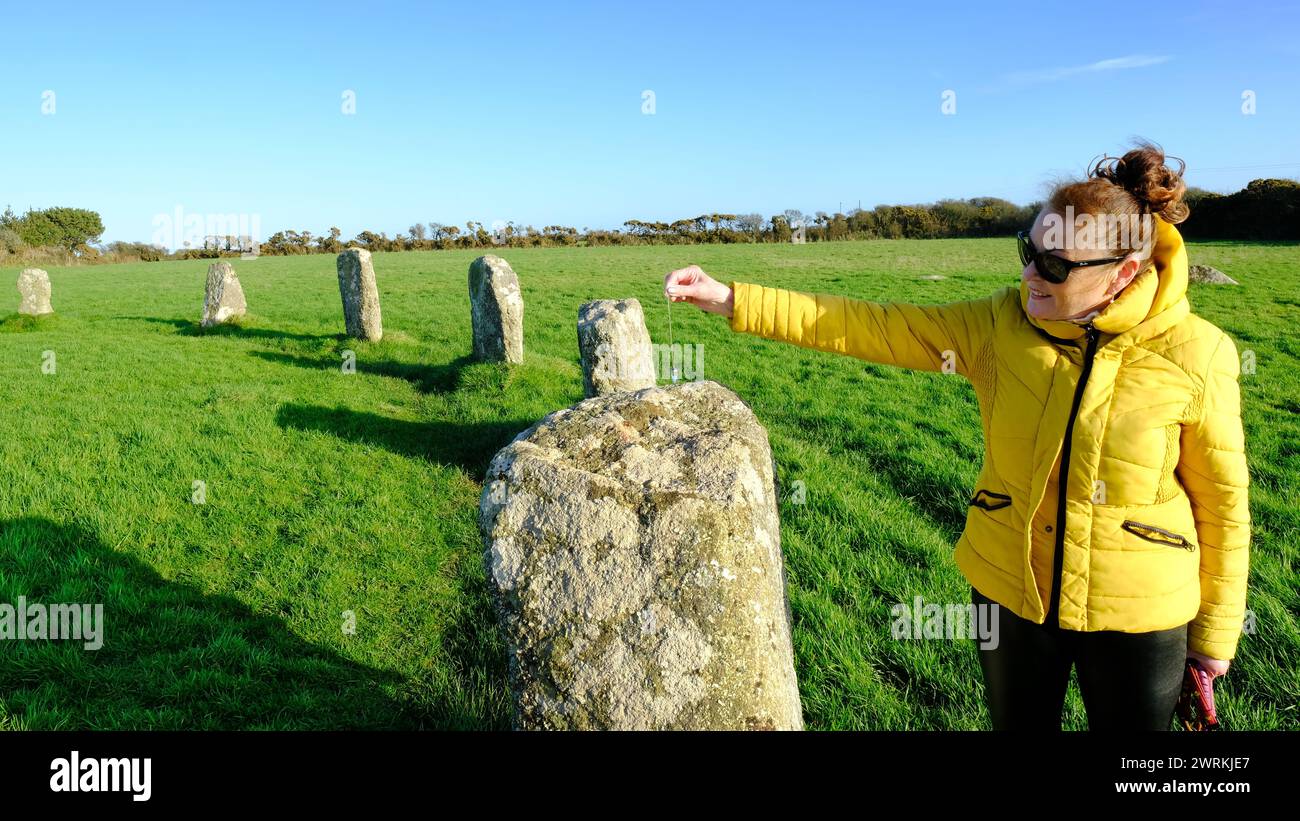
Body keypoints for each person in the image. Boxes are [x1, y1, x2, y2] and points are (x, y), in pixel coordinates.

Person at [662, 141, 1250, 730]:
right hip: (1008, 590)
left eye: (1054, 266)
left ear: (1123, 273)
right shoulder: (999, 324)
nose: (1028, 275)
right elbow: (871, 327)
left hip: (1141, 610)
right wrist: (730, 299)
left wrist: (1217, 634)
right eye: (1029, 251)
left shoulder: (1198, 352)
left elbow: (1223, 502)